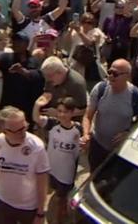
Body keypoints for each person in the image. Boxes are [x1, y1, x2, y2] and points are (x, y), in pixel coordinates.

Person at [0, 107, 50, 224]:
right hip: (3, 204)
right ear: (4, 131)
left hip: (28, 208)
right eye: (18, 130)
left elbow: (42, 181)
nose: (23, 133)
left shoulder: (37, 146)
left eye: (24, 127)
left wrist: (40, 212)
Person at [81, 59, 138, 172]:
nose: (111, 76)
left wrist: (129, 133)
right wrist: (86, 134)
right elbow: (88, 116)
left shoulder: (137, 97)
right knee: (95, 175)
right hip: (98, 146)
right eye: (109, 72)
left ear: (127, 76)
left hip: (121, 150)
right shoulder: (100, 89)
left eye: (115, 74)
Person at [32, 95, 82, 224]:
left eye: (66, 112)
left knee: (61, 200)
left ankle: (58, 219)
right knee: (46, 190)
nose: (62, 115)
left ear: (72, 112)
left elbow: (83, 146)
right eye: (59, 111)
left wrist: (85, 142)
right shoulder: (52, 124)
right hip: (51, 169)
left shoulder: (78, 129)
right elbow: (36, 118)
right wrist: (37, 105)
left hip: (66, 174)